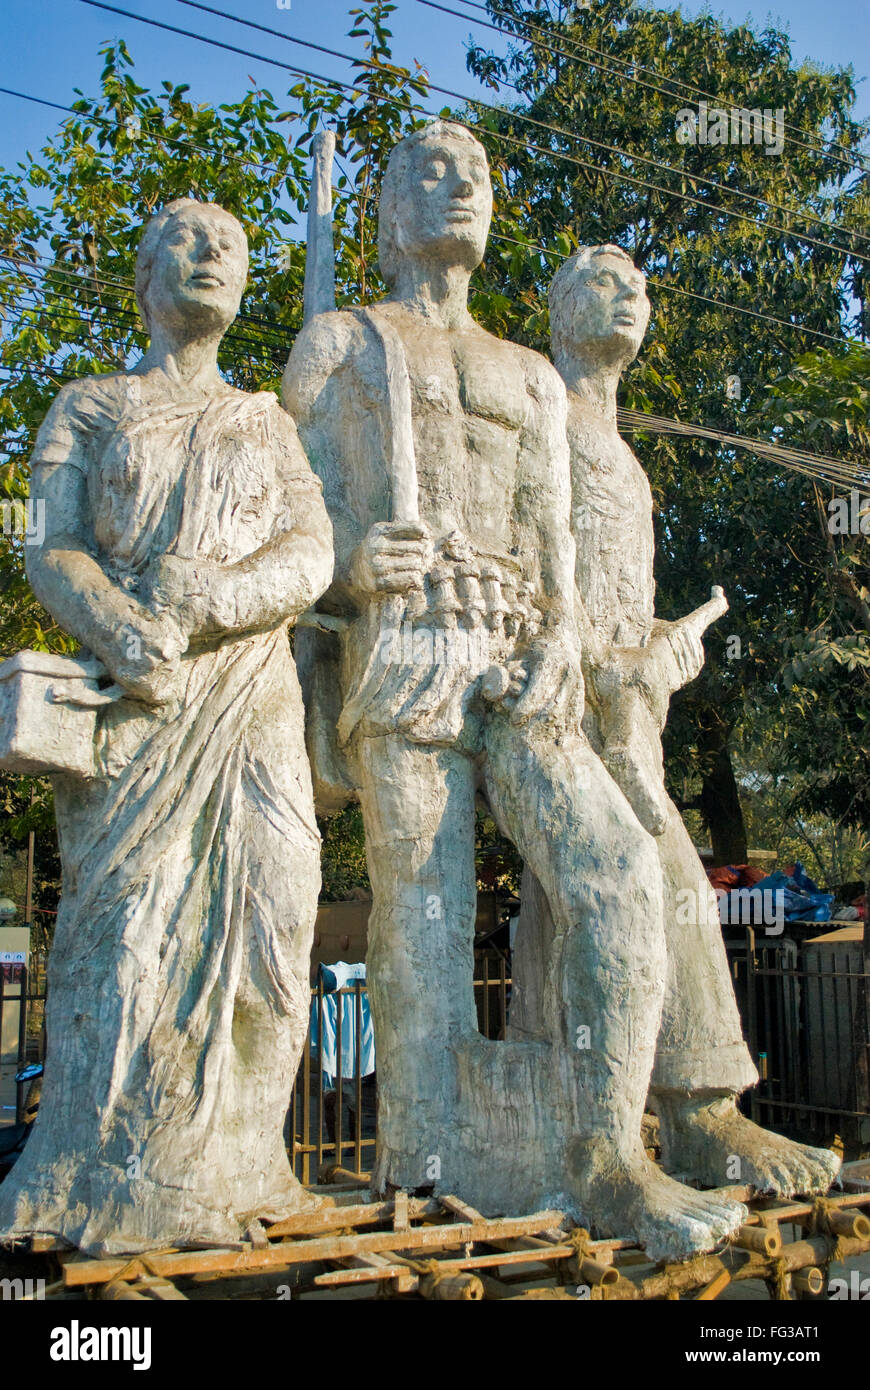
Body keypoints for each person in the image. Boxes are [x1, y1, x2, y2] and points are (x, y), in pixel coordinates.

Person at [283, 121, 750, 1259]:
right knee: (424, 925)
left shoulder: (531, 377)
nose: (460, 189)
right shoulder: (341, 343)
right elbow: (281, 505)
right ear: (389, 211)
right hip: (405, 646)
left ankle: (605, 1153)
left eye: (478, 174)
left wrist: (554, 637)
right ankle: (428, 1157)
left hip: (516, 652)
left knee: (618, 869)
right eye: (429, 174)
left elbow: (556, 543)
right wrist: (346, 563)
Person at [0, 199, 333, 1254]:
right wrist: (125, 624)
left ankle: (243, 1158)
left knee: (277, 912)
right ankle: (104, 1172)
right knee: (132, 932)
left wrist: (215, 600)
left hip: (249, 694)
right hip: (137, 704)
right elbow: (46, 544)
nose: (212, 256)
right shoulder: (88, 406)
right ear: (145, 276)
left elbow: (313, 553)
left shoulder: (269, 423)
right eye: (187, 241)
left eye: (231, 246)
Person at [529, 242, 838, 1195]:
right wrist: (610, 661)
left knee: (589, 911)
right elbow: (531, 584)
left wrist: (666, 644)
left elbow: (624, 603)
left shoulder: (623, 458)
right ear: (556, 309)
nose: (628, 296)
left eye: (639, 286)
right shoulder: (539, 420)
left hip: (627, 721)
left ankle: (602, 1121)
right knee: (667, 883)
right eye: (602, 282)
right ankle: (700, 1117)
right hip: (555, 709)